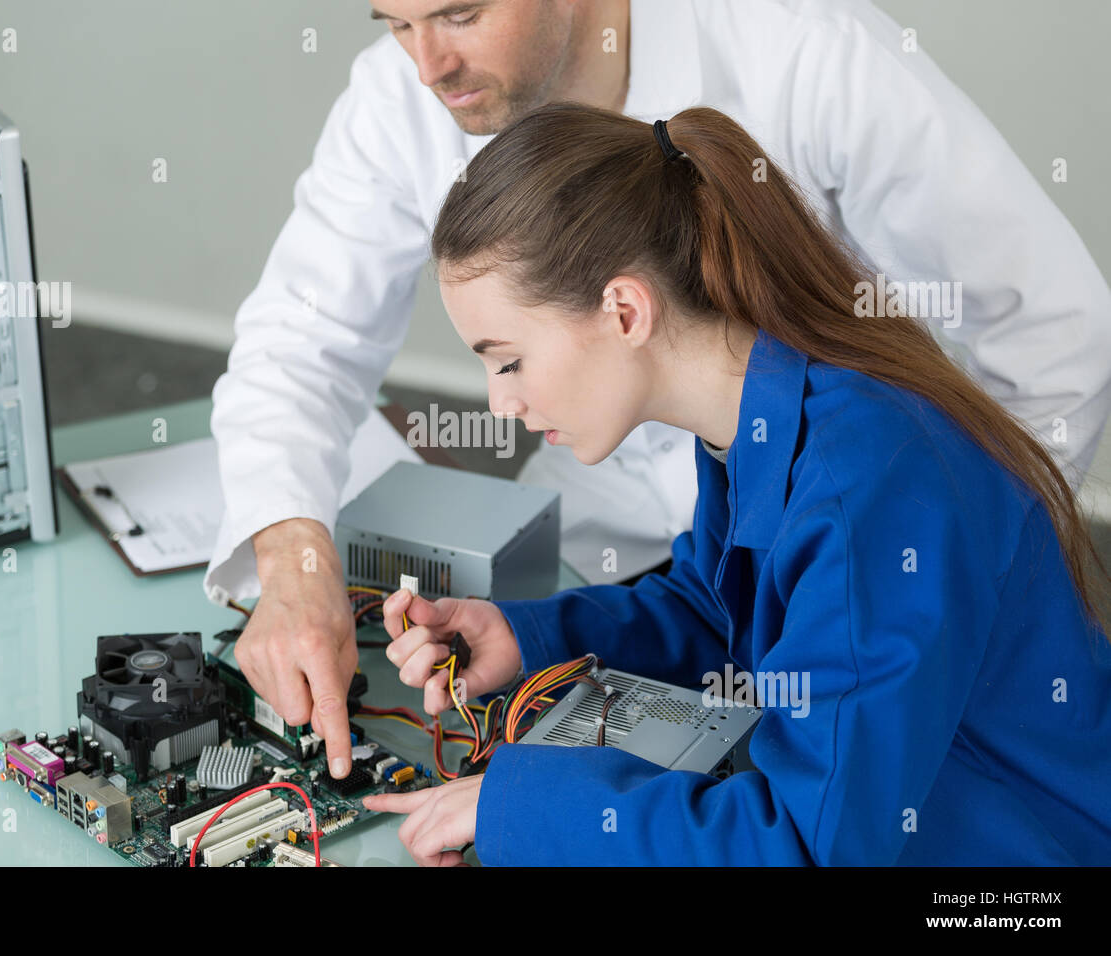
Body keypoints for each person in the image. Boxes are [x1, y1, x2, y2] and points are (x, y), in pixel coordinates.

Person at [209, 0, 1111, 782]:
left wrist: (954, 571)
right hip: (683, 570)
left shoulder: (804, 53)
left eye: (459, 13)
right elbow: (297, 341)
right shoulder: (399, 96)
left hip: (857, 559)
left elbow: (1054, 328)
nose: (426, 64)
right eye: (396, 24)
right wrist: (299, 571)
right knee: (508, 735)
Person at [360, 103, 1111, 865]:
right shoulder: (757, 416)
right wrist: (529, 638)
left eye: (508, 359)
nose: (499, 403)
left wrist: (517, 805)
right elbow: (721, 615)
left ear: (625, 310)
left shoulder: (868, 490)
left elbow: (807, 846)